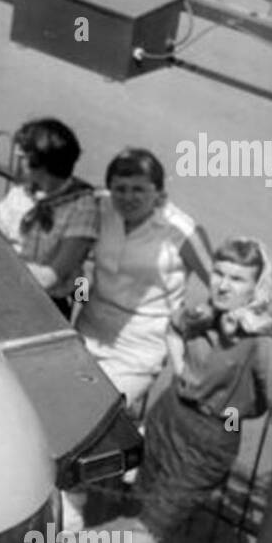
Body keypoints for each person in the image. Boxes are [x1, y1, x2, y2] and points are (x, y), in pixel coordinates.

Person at [104, 238, 272, 543]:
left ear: (256, 286)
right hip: (168, 418)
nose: (224, 286)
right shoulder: (203, 314)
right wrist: (180, 370)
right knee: (152, 517)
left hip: (210, 439)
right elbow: (174, 327)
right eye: (220, 274)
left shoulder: (264, 340)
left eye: (238, 279)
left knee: (142, 538)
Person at [76, 149, 213, 418]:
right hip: (88, 330)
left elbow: (219, 285)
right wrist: (79, 294)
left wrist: (195, 319)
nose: (128, 197)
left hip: (140, 347)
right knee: (61, 402)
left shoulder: (181, 230)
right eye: (120, 189)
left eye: (139, 189)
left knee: (94, 416)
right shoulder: (101, 207)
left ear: (159, 193)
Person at [0, 118, 99, 319]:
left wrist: (0, 263)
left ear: (41, 164)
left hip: (44, 306)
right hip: (5, 287)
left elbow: (49, 277)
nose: (16, 158)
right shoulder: (22, 191)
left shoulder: (82, 206)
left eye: (22, 156)